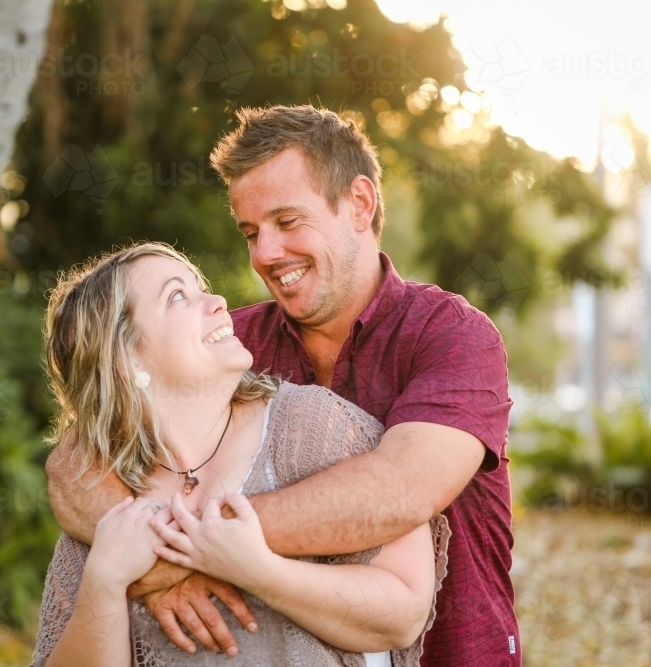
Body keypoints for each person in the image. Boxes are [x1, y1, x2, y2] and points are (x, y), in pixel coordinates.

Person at [47, 105, 518, 666]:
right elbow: (75, 461)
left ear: (360, 204)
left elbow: (399, 493)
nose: (265, 254)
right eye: (251, 232)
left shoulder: (452, 335)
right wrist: (140, 567)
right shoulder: (230, 347)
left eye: (288, 222)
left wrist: (184, 550)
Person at [32, 243, 450, 667]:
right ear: (124, 357)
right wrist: (104, 582)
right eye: (178, 296)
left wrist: (258, 570)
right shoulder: (106, 503)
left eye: (202, 288)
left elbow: (401, 615)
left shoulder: (313, 425)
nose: (217, 302)